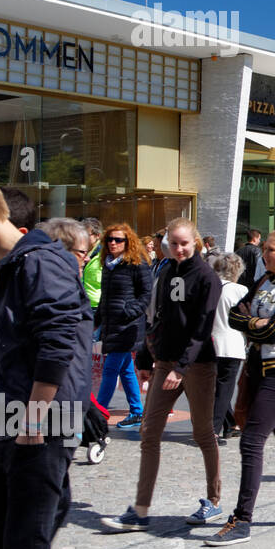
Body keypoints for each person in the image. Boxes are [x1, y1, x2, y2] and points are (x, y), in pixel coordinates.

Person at [0, 178, 92, 549]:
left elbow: (58, 342)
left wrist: (32, 419)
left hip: (42, 423)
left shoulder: (40, 261)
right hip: (4, 421)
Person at [102, 217, 225, 531]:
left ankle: (214, 501)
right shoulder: (167, 270)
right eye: (174, 243)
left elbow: (201, 329)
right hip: (166, 362)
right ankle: (141, 509)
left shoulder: (206, 277)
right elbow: (158, 317)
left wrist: (182, 368)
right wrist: (145, 356)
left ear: (195, 241)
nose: (180, 249)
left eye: (185, 243)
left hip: (196, 364)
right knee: (149, 432)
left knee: (202, 433)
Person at [206, 228, 275, 546]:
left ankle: (242, 519)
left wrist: (254, 325)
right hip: (257, 370)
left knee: (251, 440)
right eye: (264, 248)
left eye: (271, 250)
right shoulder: (266, 280)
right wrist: (254, 324)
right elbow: (235, 315)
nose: (264, 254)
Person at [95, 223, 152, 431]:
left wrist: (129, 312)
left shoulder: (137, 263)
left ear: (128, 242)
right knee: (126, 370)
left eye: (118, 239)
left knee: (111, 368)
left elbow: (146, 294)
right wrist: (96, 321)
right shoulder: (109, 264)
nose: (112, 243)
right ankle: (137, 412)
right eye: (109, 239)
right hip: (113, 325)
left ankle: (98, 414)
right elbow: (105, 298)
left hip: (128, 327)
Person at [209, 252, 249, 443]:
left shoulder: (210, 287)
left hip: (212, 342)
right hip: (232, 344)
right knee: (224, 389)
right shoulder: (240, 290)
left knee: (219, 388)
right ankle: (214, 430)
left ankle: (231, 424)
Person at [81, 217, 103, 311]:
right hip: (81, 303)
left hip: (96, 306)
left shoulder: (103, 254)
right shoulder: (80, 252)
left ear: (97, 235)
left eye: (86, 235)